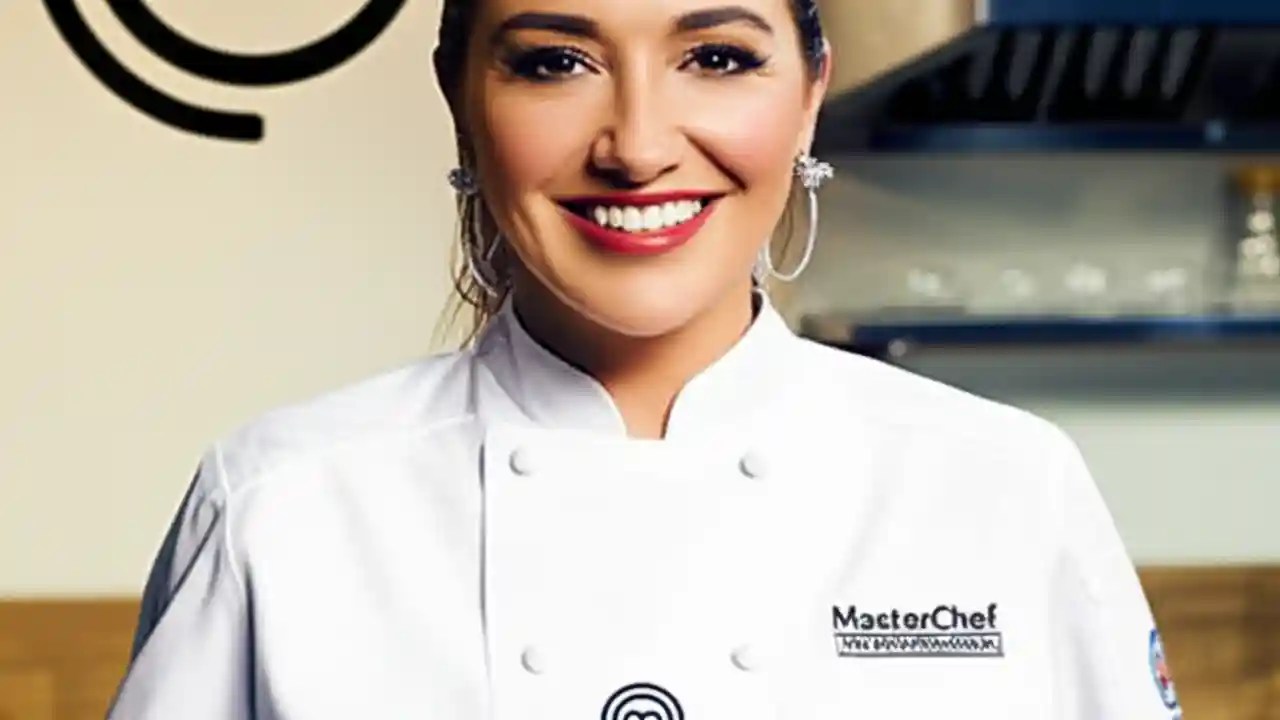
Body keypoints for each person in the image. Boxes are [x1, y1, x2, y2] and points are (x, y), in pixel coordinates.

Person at [107, 1, 1184, 718]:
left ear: (808, 89)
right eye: (554, 62)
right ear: (460, 101)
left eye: (715, 58)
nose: (635, 143)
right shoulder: (279, 503)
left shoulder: (1001, 485)